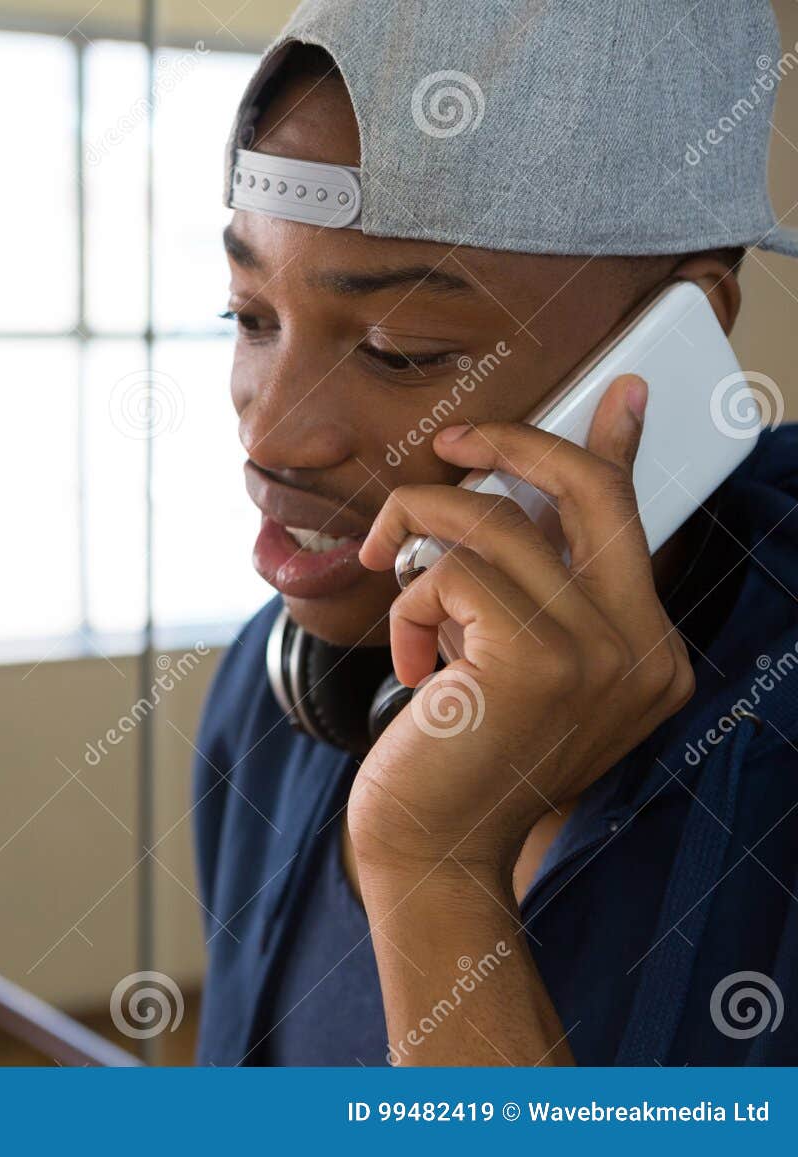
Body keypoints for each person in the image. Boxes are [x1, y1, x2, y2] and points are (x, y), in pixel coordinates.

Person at [194, 0, 798, 1065]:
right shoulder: (269, 694)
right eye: (249, 314)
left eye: (399, 348)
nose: (273, 433)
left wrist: (433, 872)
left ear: (678, 338)